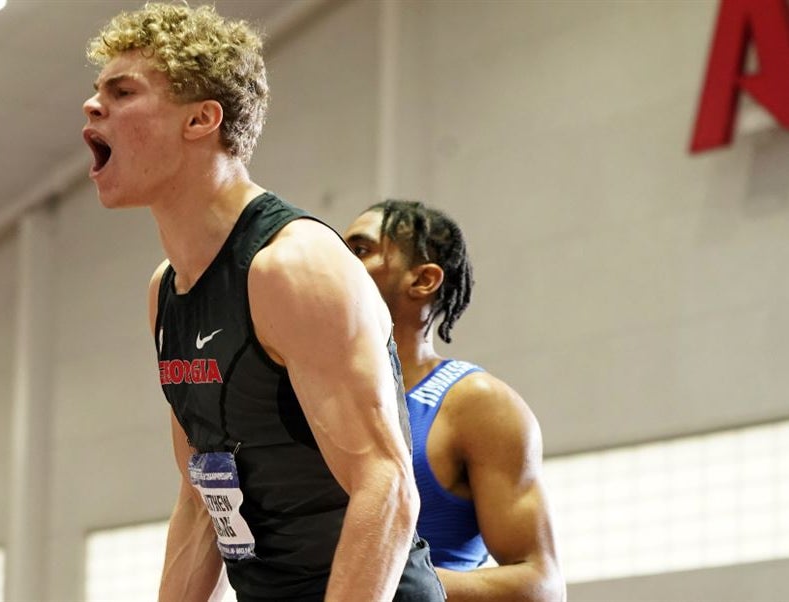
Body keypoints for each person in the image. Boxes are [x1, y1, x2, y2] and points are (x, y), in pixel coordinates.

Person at [82, 5, 444, 601]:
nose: (93, 107)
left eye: (123, 92)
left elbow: (387, 486)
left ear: (201, 119)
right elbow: (201, 500)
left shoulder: (293, 266)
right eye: (98, 92)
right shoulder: (166, 291)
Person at [342, 200, 565, 602]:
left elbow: (541, 585)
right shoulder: (306, 397)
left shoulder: (475, 404)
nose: (336, 263)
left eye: (360, 250)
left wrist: (388, 581)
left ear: (423, 280)